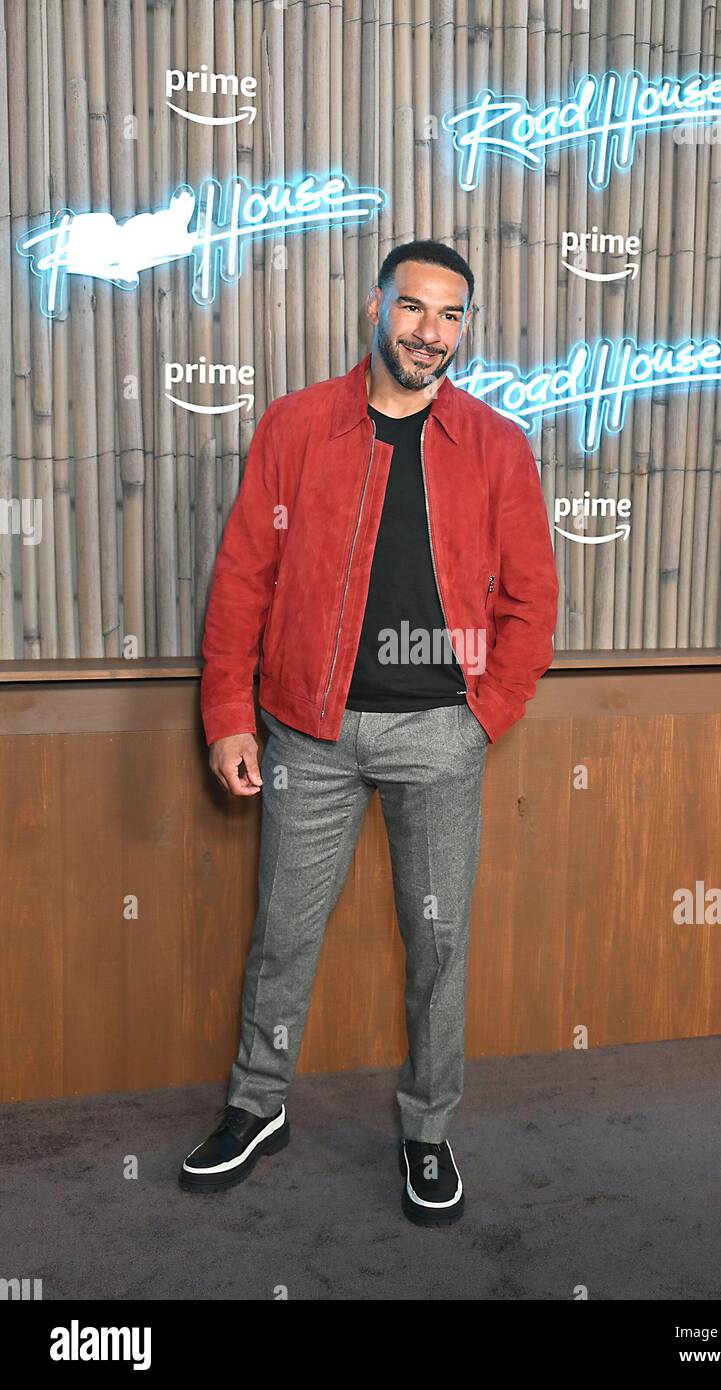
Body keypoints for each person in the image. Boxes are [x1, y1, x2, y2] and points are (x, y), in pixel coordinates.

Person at [178, 239, 558, 1224]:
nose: (430, 333)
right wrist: (229, 716)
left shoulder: (498, 445)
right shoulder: (298, 426)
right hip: (308, 730)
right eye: (413, 308)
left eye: (450, 316)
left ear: (462, 328)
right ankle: (257, 1105)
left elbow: (532, 599)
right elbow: (241, 583)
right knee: (284, 934)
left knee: (437, 945)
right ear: (375, 307)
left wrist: (487, 715)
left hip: (441, 734)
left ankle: (427, 1130)